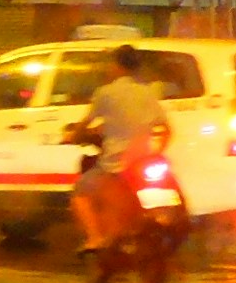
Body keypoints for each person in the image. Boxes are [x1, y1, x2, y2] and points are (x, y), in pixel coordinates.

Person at [69, 43, 172, 254]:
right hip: (143, 162)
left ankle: (95, 238)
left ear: (117, 66)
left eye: (110, 64)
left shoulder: (105, 93)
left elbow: (85, 123)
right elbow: (167, 129)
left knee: (80, 192)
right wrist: (156, 152)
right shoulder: (148, 93)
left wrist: (73, 136)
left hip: (115, 165)